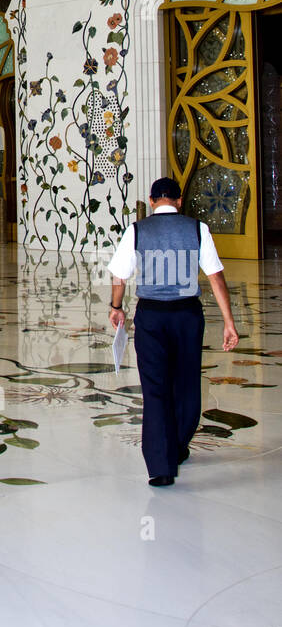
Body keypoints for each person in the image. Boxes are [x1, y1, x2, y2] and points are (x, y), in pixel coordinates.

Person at [107, 176, 239, 487]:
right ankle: (178, 445)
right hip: (187, 315)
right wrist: (229, 322)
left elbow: (119, 275)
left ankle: (161, 467)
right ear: (179, 201)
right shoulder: (197, 228)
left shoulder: (137, 230)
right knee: (187, 382)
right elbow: (216, 277)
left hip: (152, 315)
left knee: (155, 389)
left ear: (152, 202)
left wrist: (116, 307)